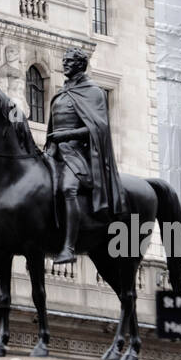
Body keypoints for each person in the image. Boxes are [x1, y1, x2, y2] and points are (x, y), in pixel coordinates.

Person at [44, 47, 127, 265]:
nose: (65, 64)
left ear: (81, 64)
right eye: (64, 60)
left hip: (79, 154)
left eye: (69, 61)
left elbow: (98, 128)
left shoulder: (94, 92)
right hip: (55, 152)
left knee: (68, 189)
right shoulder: (61, 92)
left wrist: (67, 134)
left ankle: (68, 248)